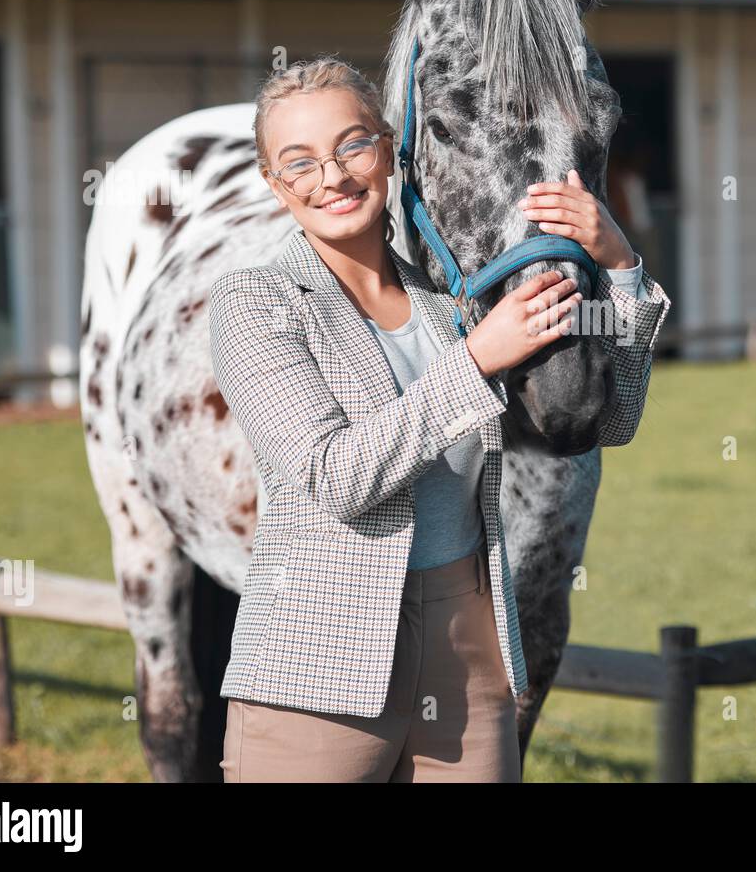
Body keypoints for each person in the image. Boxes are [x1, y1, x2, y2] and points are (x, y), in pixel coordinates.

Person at [210, 56, 671, 781]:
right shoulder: (256, 301)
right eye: (299, 162)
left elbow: (610, 420)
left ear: (391, 150)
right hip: (319, 674)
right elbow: (338, 476)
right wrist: (478, 359)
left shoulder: (453, 303)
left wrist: (619, 268)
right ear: (275, 185)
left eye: (351, 145)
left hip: (468, 663)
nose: (331, 176)